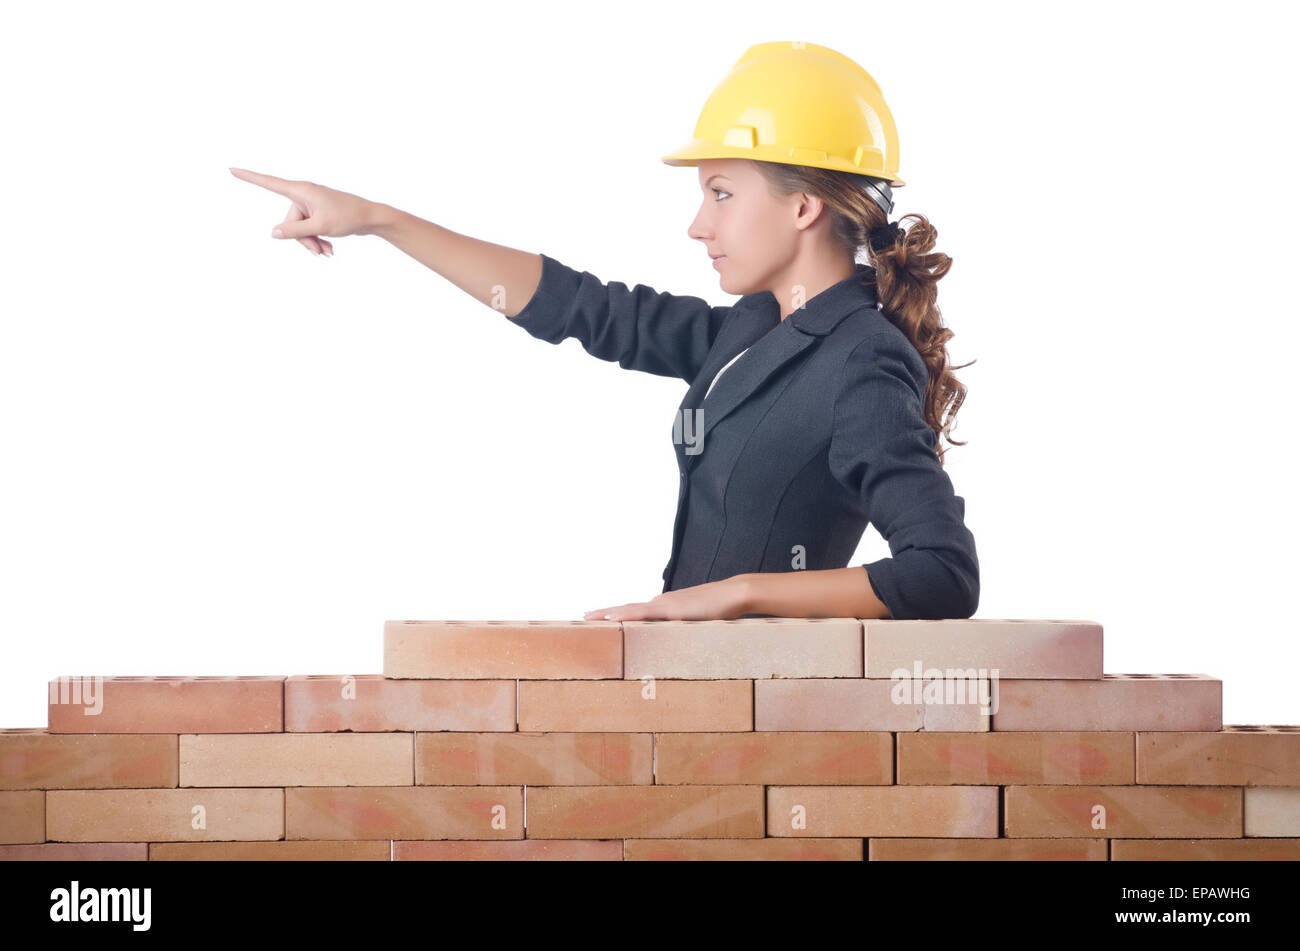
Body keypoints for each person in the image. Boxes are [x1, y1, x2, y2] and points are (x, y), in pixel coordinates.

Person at [229, 41, 978, 623]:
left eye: (721, 193)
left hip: (760, 716)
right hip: (694, 690)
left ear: (804, 205)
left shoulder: (861, 357)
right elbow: (583, 307)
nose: (698, 224)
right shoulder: (752, 327)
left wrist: (735, 595)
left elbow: (942, 571)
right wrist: (379, 220)